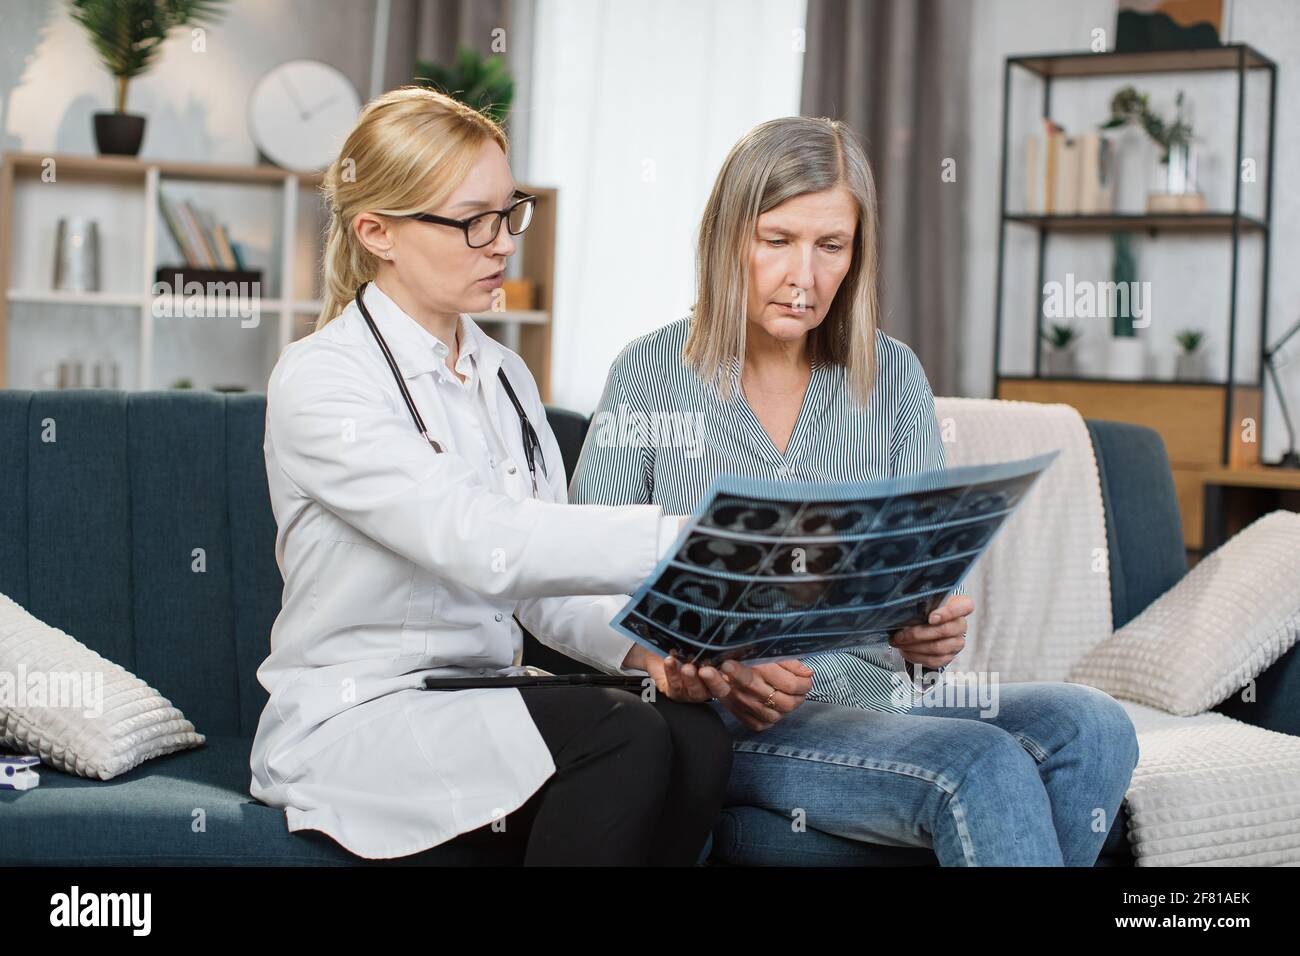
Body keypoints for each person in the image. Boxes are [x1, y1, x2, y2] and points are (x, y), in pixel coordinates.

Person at [570, 116, 1140, 865]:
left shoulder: (894, 377)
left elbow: (929, 591)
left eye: (830, 246)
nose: (803, 277)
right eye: (776, 241)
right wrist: (699, 664)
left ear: (856, 255)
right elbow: (577, 584)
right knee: (981, 765)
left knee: (1094, 725)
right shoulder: (646, 374)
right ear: (726, 237)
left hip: (886, 700)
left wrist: (929, 628)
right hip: (737, 719)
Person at [248, 87, 746, 866]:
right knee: (624, 735)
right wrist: (695, 537)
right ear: (376, 231)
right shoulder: (322, 379)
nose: (503, 243)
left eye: (509, 211)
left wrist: (646, 656)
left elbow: (538, 587)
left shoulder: (504, 374)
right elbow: (478, 540)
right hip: (361, 713)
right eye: (473, 221)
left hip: (478, 697)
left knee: (694, 736)